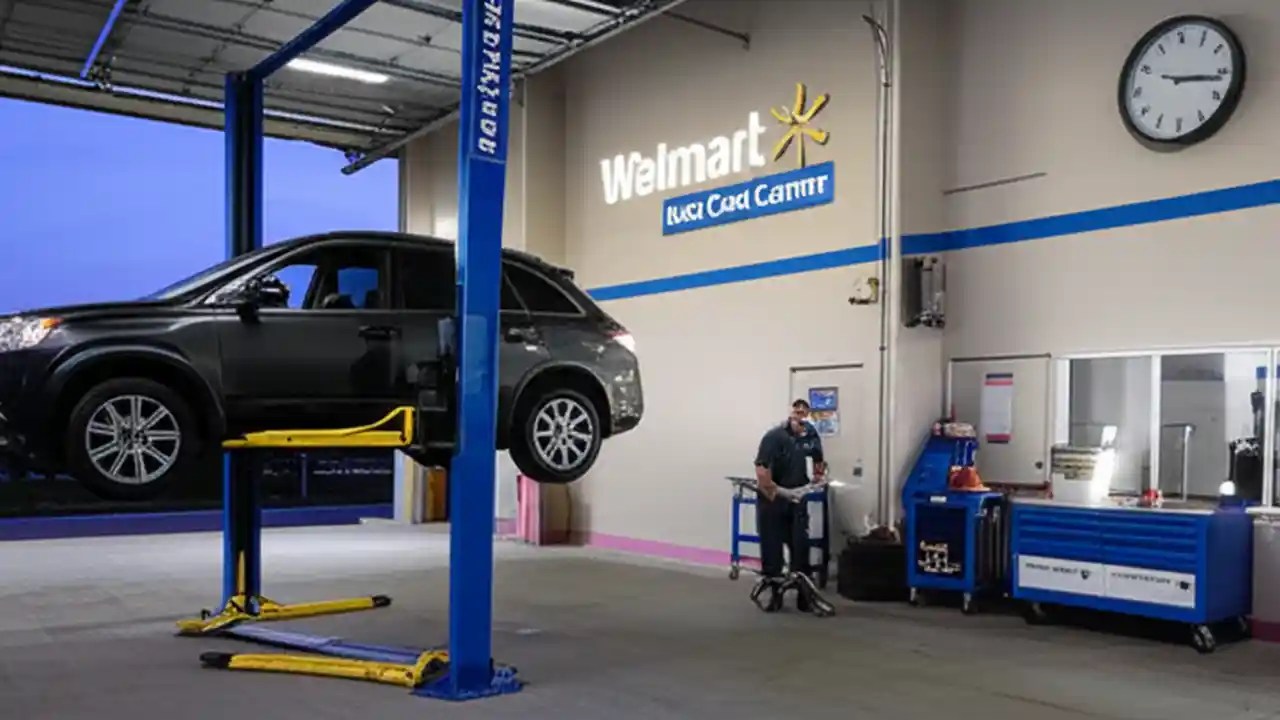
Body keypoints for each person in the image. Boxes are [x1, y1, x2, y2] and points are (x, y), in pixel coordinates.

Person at [753, 399, 827, 604]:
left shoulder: (811, 435)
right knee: (773, 549)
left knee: (800, 548)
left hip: (798, 501)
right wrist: (780, 493)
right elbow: (762, 471)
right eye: (798, 415)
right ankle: (774, 593)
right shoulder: (773, 438)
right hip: (773, 502)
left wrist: (818, 478)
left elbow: (818, 459)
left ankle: (804, 596)